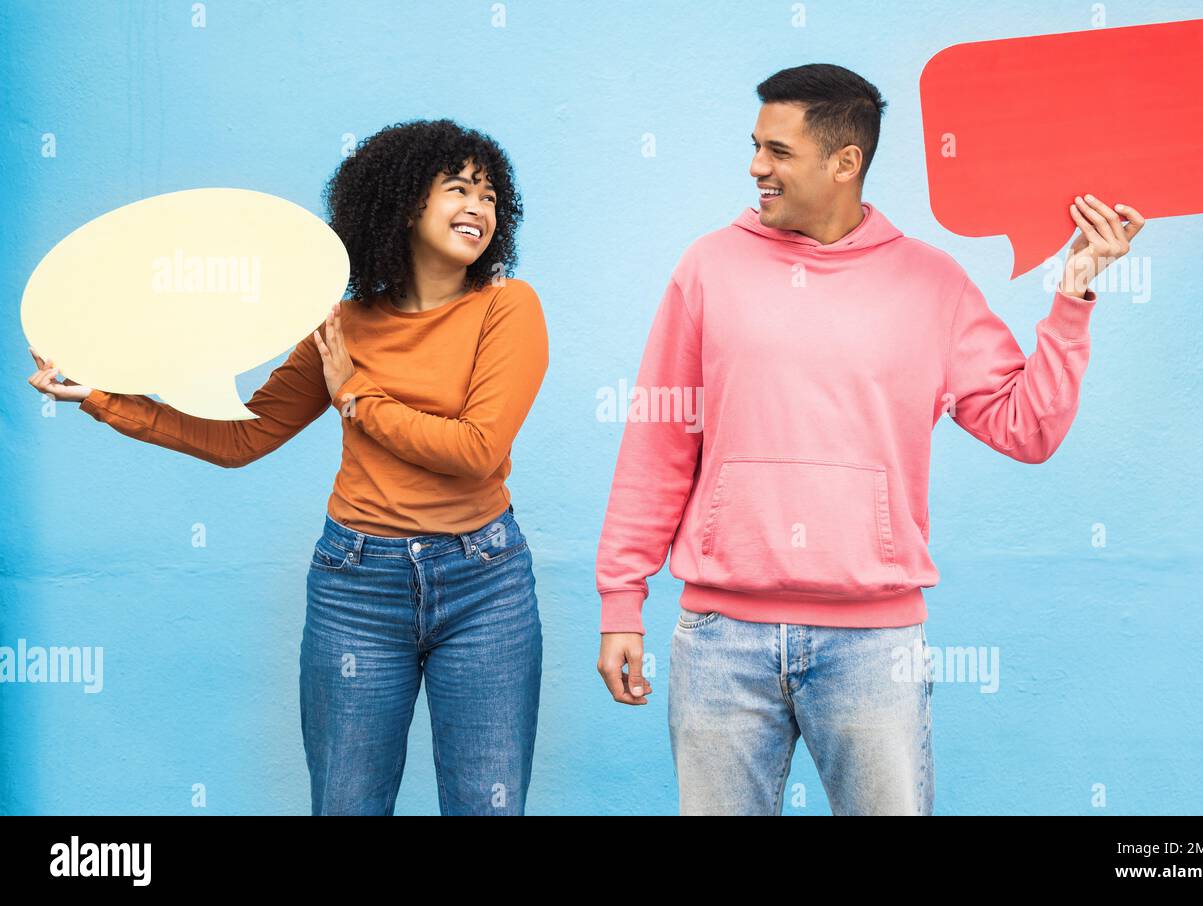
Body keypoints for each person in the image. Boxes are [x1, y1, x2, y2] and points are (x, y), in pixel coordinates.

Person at [594, 64, 1144, 815]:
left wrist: (1074, 289)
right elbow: (658, 440)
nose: (757, 167)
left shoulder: (931, 283)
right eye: (755, 146)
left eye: (778, 151)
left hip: (872, 647)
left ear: (845, 160)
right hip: (721, 639)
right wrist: (622, 601)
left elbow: (1028, 427)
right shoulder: (708, 267)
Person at [28, 118, 549, 816]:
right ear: (401, 204)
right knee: (346, 803)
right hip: (356, 586)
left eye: (489, 196)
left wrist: (356, 398)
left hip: (484, 583)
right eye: (458, 189)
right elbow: (243, 437)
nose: (478, 209)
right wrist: (103, 399)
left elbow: (475, 449)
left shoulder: (508, 308)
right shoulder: (341, 325)